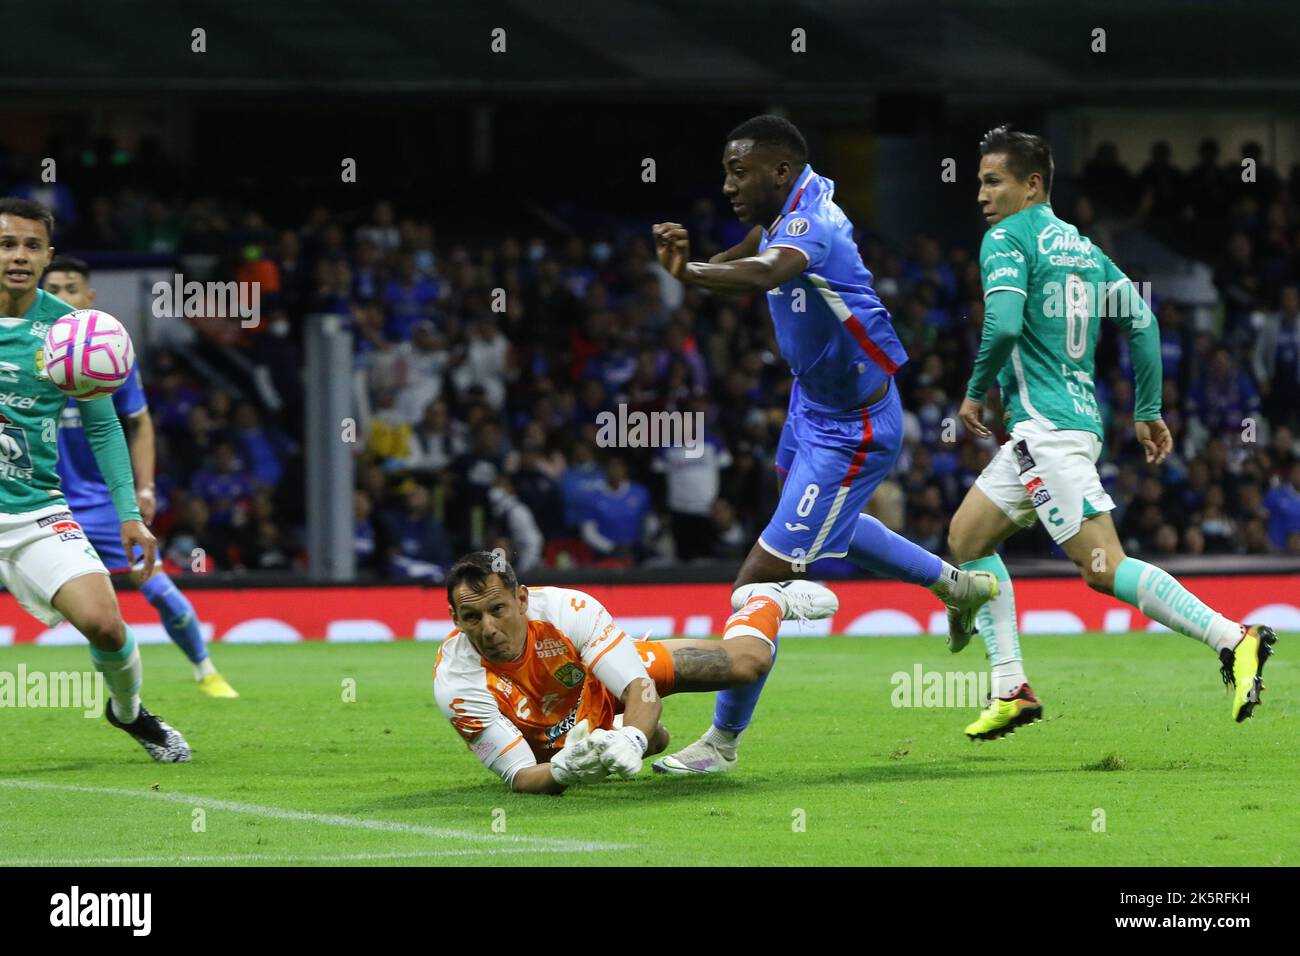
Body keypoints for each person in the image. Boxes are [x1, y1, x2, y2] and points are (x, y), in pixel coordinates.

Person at [649, 115, 996, 774]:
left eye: (738, 171)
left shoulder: (816, 227)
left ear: (779, 171)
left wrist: (692, 272)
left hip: (854, 431)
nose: (727, 184)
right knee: (829, 528)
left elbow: (766, 270)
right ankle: (957, 587)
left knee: (757, 580)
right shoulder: (794, 198)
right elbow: (757, 242)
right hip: (812, 405)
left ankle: (721, 744)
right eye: (725, 170)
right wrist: (706, 262)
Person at [950, 125, 1275, 738]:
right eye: (979, 183)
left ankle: (1235, 638)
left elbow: (1004, 325)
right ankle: (1010, 687)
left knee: (1102, 566)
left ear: (1032, 184)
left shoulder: (1006, 239)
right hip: (1060, 428)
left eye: (993, 181)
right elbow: (1144, 322)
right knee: (967, 540)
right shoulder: (1081, 248)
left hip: (1045, 431)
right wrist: (1148, 410)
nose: (981, 195)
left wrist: (973, 392)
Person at [0, 197, 189, 761]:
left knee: (106, 626)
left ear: (48, 255)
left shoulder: (70, 330)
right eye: (7, 243)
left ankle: (128, 713)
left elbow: (106, 429)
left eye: (32, 246)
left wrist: (130, 513)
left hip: (33, 508)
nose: (19, 256)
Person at [433, 551, 836, 793]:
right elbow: (520, 776)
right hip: (548, 740)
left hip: (596, 680)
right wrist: (564, 770)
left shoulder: (567, 611)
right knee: (656, 738)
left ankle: (765, 599)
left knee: (747, 664)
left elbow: (637, 687)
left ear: (521, 600)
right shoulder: (456, 681)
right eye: (471, 617)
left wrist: (632, 737)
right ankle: (618, 737)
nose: (487, 629)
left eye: (497, 610)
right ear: (454, 617)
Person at [43, 257, 237, 698]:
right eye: (52, 288)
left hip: (102, 506)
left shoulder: (110, 353)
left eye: (71, 287)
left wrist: (143, 489)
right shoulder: (29, 355)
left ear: (88, 297)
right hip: (41, 502)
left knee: (157, 587)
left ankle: (205, 669)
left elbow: (139, 421)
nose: (61, 296)